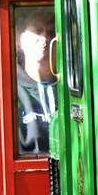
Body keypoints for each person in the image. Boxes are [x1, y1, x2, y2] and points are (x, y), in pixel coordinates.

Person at [15, 8, 57, 155]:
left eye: (51, 33)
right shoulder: (11, 89)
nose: (45, 38)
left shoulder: (74, 87)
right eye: (38, 31)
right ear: (19, 39)